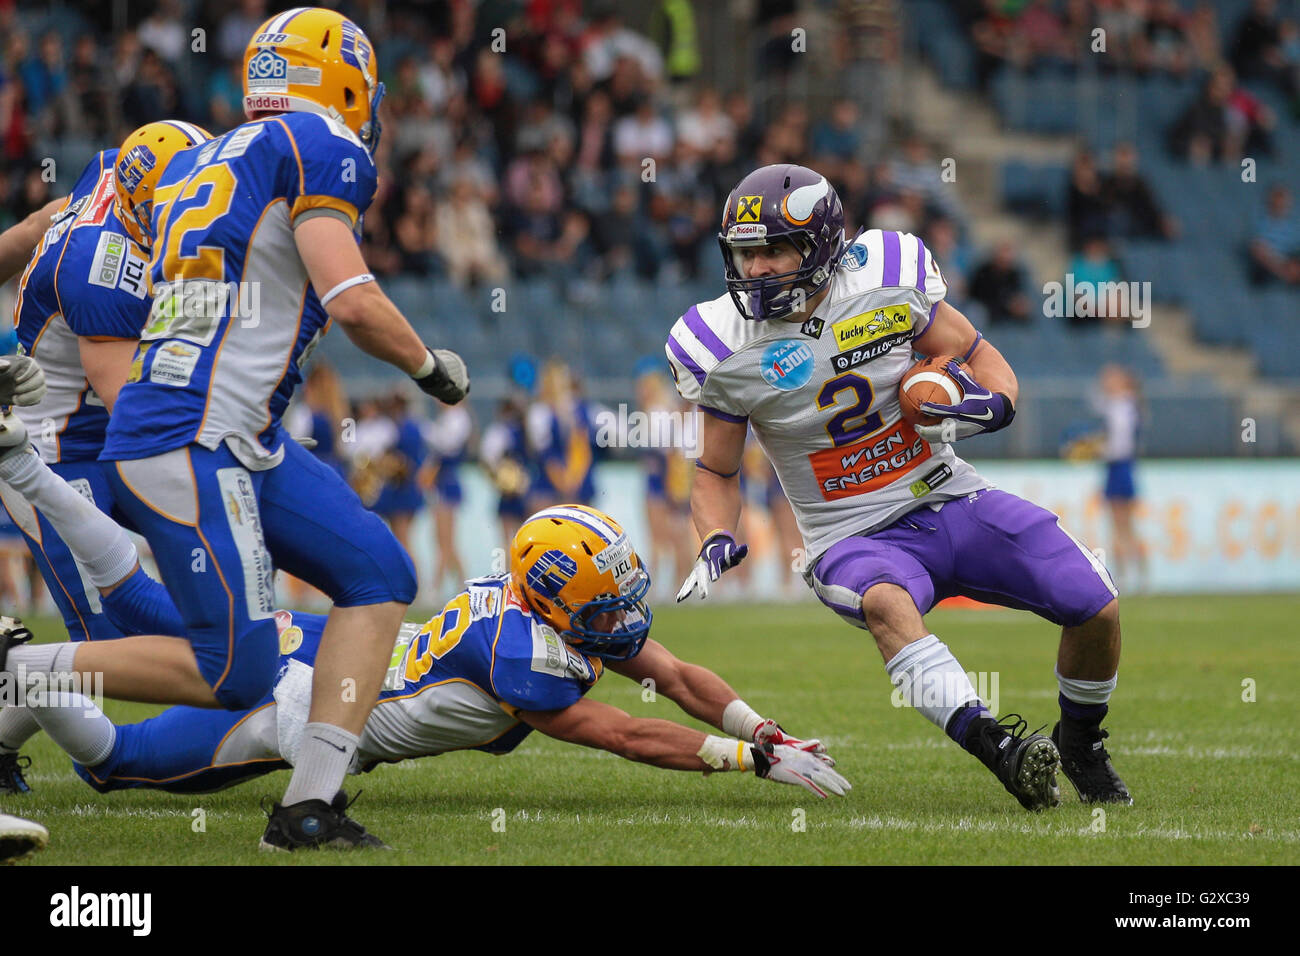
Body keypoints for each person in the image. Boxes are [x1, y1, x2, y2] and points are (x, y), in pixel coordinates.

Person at [10, 9, 471, 850]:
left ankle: (309, 808)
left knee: (379, 571)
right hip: (191, 434)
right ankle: (19, 677)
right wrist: (431, 368)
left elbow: (199, 306)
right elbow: (354, 299)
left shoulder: (200, 156)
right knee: (238, 671)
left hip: (220, 427)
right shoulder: (321, 148)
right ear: (340, 82)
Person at [667, 163, 1130, 810]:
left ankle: (1081, 743)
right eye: (746, 253)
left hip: (947, 496)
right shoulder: (719, 341)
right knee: (888, 604)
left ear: (824, 244)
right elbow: (715, 470)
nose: (758, 268)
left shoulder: (886, 273)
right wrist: (715, 535)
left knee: (1097, 604)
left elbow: (976, 352)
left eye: (774, 249)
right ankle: (1000, 748)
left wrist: (995, 404)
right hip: (848, 535)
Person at [1, 506, 848, 822]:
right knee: (115, 765)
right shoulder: (520, 652)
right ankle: (27, 666)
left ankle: (24, 664)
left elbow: (678, 674)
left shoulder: (539, 605)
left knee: (150, 621)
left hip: (322, 648)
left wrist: (759, 728)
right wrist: (749, 762)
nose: (621, 620)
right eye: (602, 604)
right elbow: (625, 733)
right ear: (554, 600)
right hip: (305, 707)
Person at [1095, 365, 1146, 593]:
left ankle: (1130, 576)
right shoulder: (1124, 405)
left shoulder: (1121, 406)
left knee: (1121, 525)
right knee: (1124, 526)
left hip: (1119, 466)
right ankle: (1134, 575)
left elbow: (1118, 444)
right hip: (1121, 466)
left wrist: (1099, 450)